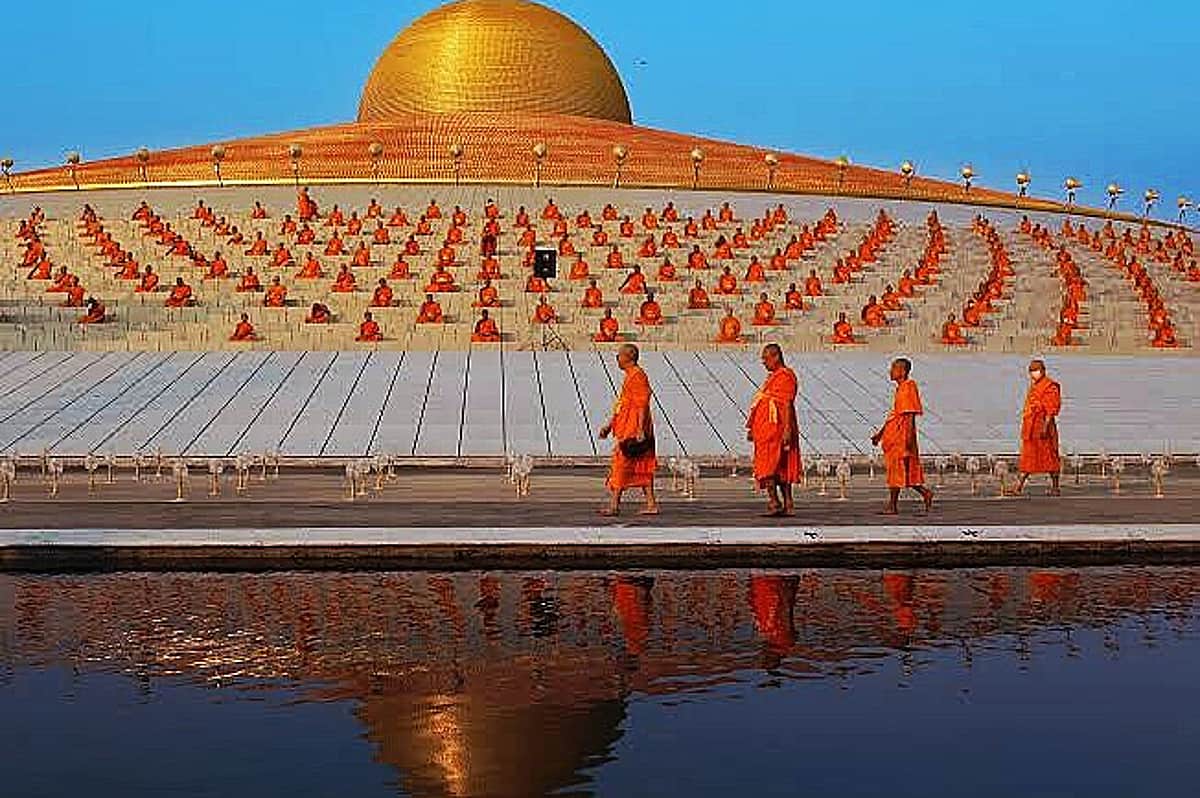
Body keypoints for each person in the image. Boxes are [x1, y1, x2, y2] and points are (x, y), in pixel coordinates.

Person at [598, 344, 658, 516]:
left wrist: (640, 430)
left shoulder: (638, 376)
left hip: (634, 429)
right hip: (627, 426)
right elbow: (622, 405)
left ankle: (615, 505)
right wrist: (609, 426)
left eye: (619, 355)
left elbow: (642, 404)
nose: (617, 358)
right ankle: (650, 504)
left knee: (622, 464)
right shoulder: (630, 376)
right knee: (639, 466)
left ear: (628, 357)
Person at [871, 358, 934, 514]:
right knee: (900, 471)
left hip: (902, 437)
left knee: (900, 470)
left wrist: (908, 441)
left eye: (894, 368)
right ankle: (924, 493)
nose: (890, 371)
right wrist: (880, 434)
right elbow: (894, 415)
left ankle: (894, 505)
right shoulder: (901, 389)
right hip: (894, 436)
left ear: (903, 371)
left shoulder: (908, 388)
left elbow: (910, 416)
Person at [747, 344, 802, 516]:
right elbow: (761, 402)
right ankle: (784, 503)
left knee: (770, 466)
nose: (764, 362)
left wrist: (787, 430)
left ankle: (776, 502)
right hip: (766, 428)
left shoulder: (786, 376)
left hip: (776, 428)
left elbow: (786, 404)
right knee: (776, 466)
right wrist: (752, 427)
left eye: (766, 358)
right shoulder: (773, 377)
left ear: (776, 356)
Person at [1008, 359, 1062, 496]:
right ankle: (1018, 486)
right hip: (1031, 428)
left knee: (1050, 458)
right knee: (1028, 458)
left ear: (1043, 371)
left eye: (1036, 370)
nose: (1034, 373)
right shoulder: (1035, 386)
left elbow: (1051, 409)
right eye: (1031, 370)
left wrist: (1045, 427)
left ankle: (1055, 488)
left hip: (1044, 427)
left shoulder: (1050, 386)